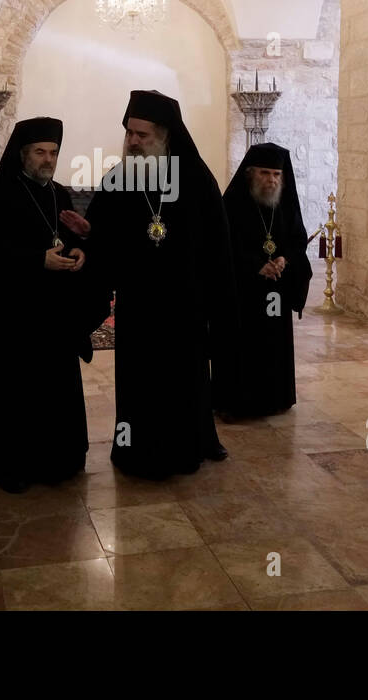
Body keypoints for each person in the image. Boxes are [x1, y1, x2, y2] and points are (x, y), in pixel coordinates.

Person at [79, 90, 233, 480]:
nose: (132, 141)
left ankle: (188, 447)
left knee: (184, 380)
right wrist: (86, 236)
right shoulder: (119, 179)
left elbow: (218, 246)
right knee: (139, 383)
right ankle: (136, 451)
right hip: (140, 305)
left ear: (164, 135)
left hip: (186, 306)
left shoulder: (197, 179)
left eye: (142, 135)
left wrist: (219, 304)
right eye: (129, 132)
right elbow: (102, 239)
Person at [0, 117, 95, 492]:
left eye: (54, 153)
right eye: (40, 152)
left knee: (56, 387)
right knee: (18, 391)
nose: (48, 160)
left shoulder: (60, 194)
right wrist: (36, 260)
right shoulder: (0, 195)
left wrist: (79, 251)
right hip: (16, 314)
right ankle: (16, 466)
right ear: (23, 154)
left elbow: (68, 236)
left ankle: (60, 459)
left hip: (55, 314)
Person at [215, 142, 311, 418]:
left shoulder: (285, 203)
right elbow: (223, 242)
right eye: (265, 173)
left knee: (273, 344)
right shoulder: (232, 203)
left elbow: (297, 238)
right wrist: (256, 265)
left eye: (276, 175)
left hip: (276, 289)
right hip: (242, 290)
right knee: (243, 345)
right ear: (250, 173)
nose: (271, 180)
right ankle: (239, 402)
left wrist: (285, 260)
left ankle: (274, 398)